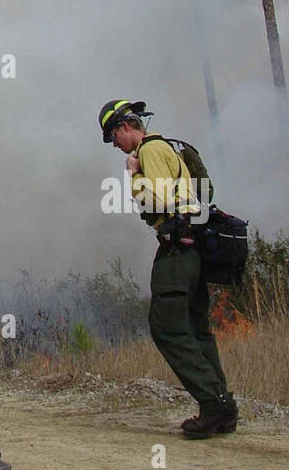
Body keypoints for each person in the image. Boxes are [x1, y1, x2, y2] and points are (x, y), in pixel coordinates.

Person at [99, 99, 238, 439]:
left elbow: (156, 198)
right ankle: (220, 406)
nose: (115, 144)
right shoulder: (168, 149)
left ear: (127, 126)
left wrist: (132, 177)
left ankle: (214, 403)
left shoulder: (150, 150)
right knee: (195, 327)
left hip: (177, 250)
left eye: (113, 135)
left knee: (167, 328)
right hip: (193, 247)